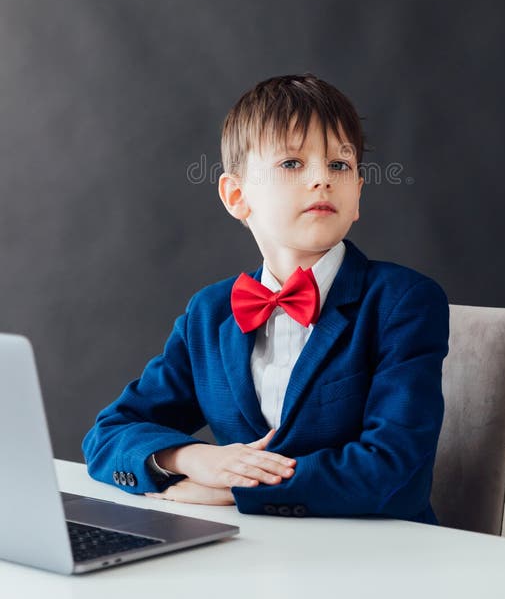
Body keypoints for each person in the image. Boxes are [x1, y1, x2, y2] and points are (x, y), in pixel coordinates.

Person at [82, 73, 449, 522]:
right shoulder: (209, 313)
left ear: (357, 197)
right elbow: (108, 434)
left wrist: (239, 490)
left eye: (340, 165)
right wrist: (194, 460)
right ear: (237, 196)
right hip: (249, 557)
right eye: (292, 163)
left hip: (377, 561)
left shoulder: (404, 302)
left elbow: (391, 469)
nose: (322, 179)